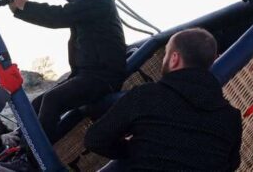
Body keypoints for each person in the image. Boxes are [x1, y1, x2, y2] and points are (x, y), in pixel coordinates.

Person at [84, 28, 243, 171]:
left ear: (174, 58)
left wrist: (135, 149)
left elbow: (95, 139)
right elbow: (232, 164)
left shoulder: (146, 95)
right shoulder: (231, 118)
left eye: (166, 53)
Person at [4, 0, 126, 144]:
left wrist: (25, 6)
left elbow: (60, 16)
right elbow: (62, 14)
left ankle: (34, 159)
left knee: (53, 100)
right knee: (37, 103)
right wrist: (19, 10)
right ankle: (19, 145)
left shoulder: (98, 0)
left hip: (102, 77)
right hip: (87, 74)